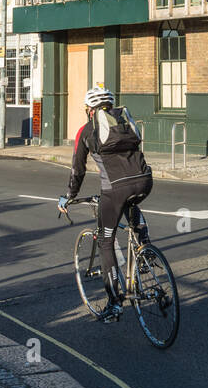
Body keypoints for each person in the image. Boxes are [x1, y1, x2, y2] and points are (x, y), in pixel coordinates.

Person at [59, 86, 152, 321]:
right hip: (145, 181)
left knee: (105, 241)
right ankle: (144, 247)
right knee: (132, 202)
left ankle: (114, 303)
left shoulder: (86, 130)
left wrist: (69, 195)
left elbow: (77, 170)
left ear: (88, 110)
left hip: (115, 189)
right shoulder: (124, 123)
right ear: (111, 106)